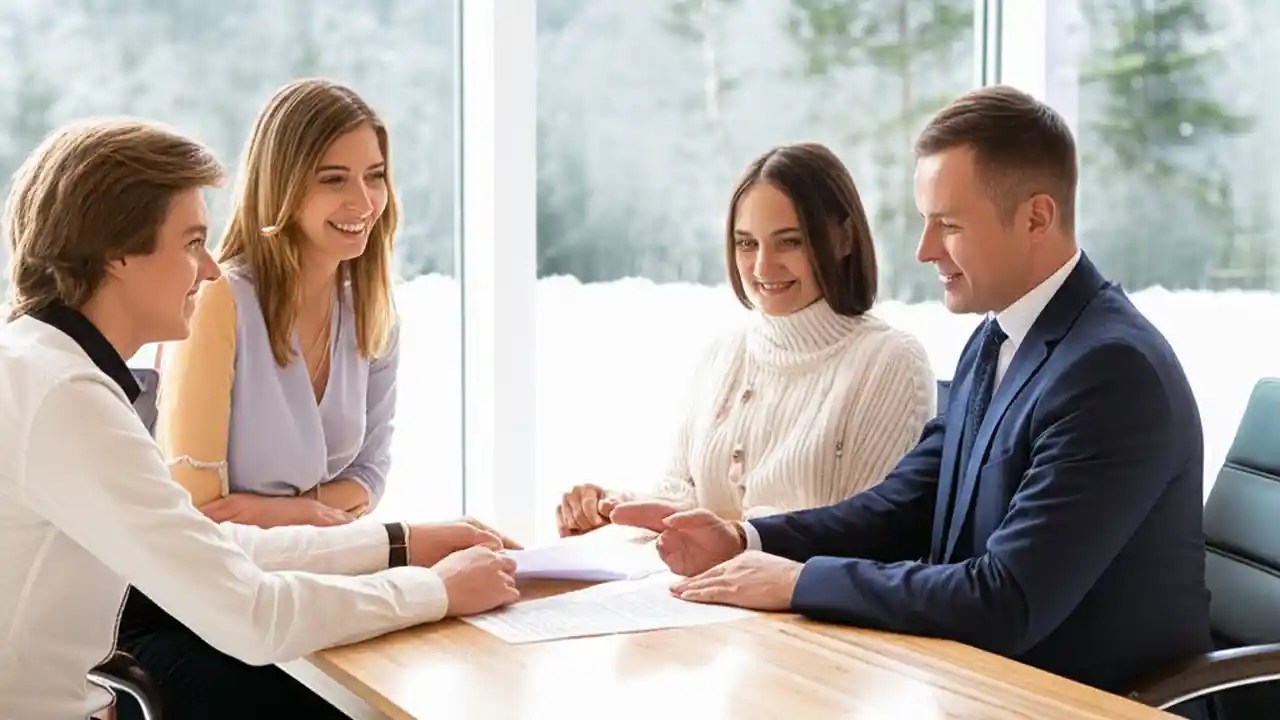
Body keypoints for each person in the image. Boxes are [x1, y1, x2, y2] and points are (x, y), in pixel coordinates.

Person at [613, 86, 1212, 706]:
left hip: (1082, 701)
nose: (925, 249)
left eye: (948, 225)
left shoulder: (1111, 372)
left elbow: (1005, 599)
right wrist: (746, 541)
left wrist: (798, 582)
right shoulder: (997, 337)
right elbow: (905, 505)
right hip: (976, 686)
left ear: (1036, 218)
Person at [0, 118, 519, 720]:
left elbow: (206, 545)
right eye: (192, 243)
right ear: (118, 254)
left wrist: (396, 543)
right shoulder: (67, 396)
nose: (211, 269)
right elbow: (252, 616)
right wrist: (439, 590)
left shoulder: (39, 367)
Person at [556, 143, 935, 537]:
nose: (762, 266)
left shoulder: (891, 362)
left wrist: (734, 539)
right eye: (746, 243)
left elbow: (871, 540)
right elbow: (678, 499)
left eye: (790, 241)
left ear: (844, 239)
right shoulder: (724, 353)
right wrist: (610, 511)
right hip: (689, 594)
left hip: (798, 600)